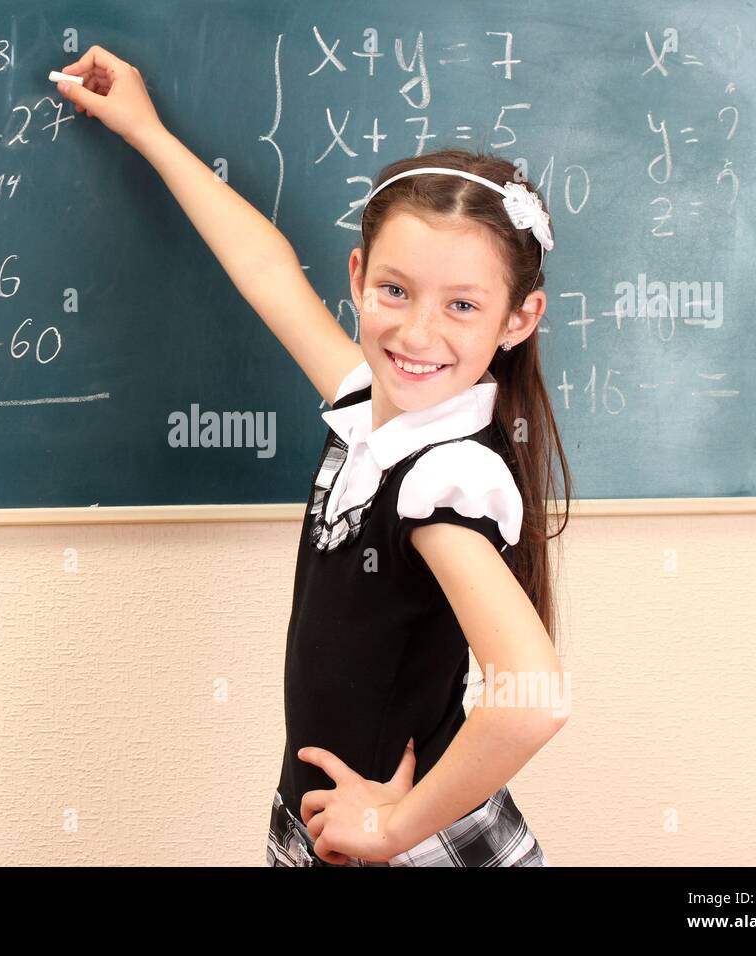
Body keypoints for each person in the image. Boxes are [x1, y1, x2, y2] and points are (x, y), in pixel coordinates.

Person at [55, 45, 573, 867]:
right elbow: (266, 271)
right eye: (394, 291)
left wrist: (398, 826)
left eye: (463, 305)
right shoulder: (380, 409)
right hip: (326, 821)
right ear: (360, 275)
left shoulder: (442, 478)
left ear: (518, 319)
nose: (415, 332)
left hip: (401, 844)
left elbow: (533, 696)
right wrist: (147, 131)